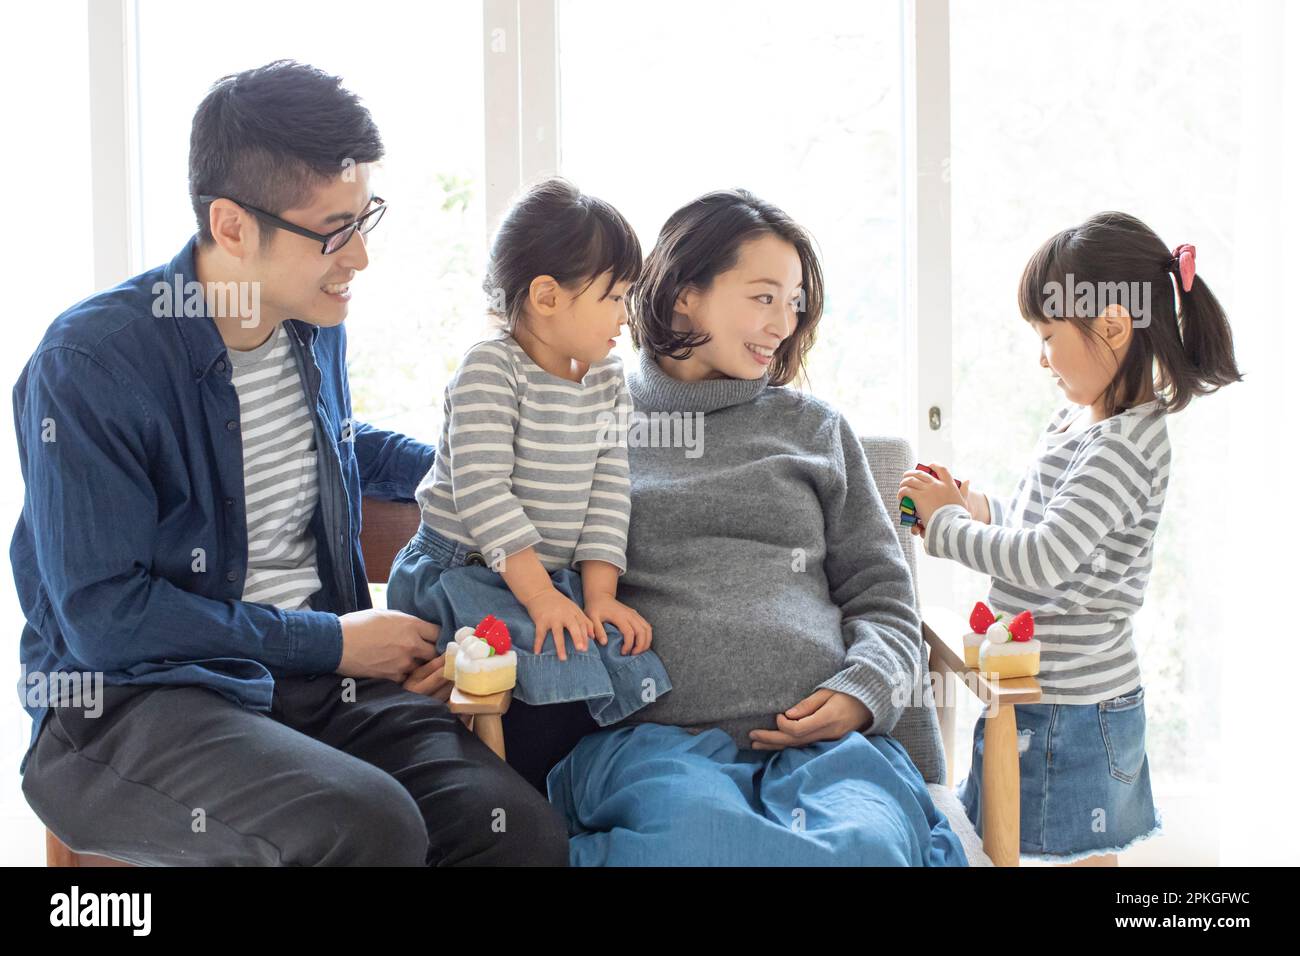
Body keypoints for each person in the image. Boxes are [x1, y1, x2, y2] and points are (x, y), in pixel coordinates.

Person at [14, 60, 568, 866]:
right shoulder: (91, 364)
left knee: (520, 836)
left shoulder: (311, 322)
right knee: (367, 827)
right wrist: (334, 643)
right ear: (232, 225)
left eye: (365, 218)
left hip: (314, 693)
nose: (361, 258)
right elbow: (107, 619)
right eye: (333, 231)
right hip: (132, 708)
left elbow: (340, 439)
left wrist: (476, 474)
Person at [544, 189, 969, 865]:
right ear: (685, 293)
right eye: (763, 296)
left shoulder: (816, 430)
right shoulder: (593, 422)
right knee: (696, 845)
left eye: (794, 302)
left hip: (829, 750)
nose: (783, 321)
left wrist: (862, 693)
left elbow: (884, 599)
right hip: (661, 746)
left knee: (862, 851)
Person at [898, 211, 1243, 864]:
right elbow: (1043, 527)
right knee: (1018, 839)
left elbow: (1046, 561)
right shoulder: (1076, 423)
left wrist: (947, 527)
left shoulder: (1124, 446)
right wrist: (977, 506)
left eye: (1048, 333)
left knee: (1081, 853)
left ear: (1112, 326)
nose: (1041, 356)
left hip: (1076, 707)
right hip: (1043, 694)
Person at [386, 178, 670, 738]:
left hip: (543, 576)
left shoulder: (609, 379)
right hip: (463, 569)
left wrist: (599, 596)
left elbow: (610, 487)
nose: (624, 317)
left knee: (605, 647)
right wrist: (540, 596)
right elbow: (484, 492)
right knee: (546, 656)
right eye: (613, 298)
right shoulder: (492, 370)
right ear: (546, 297)